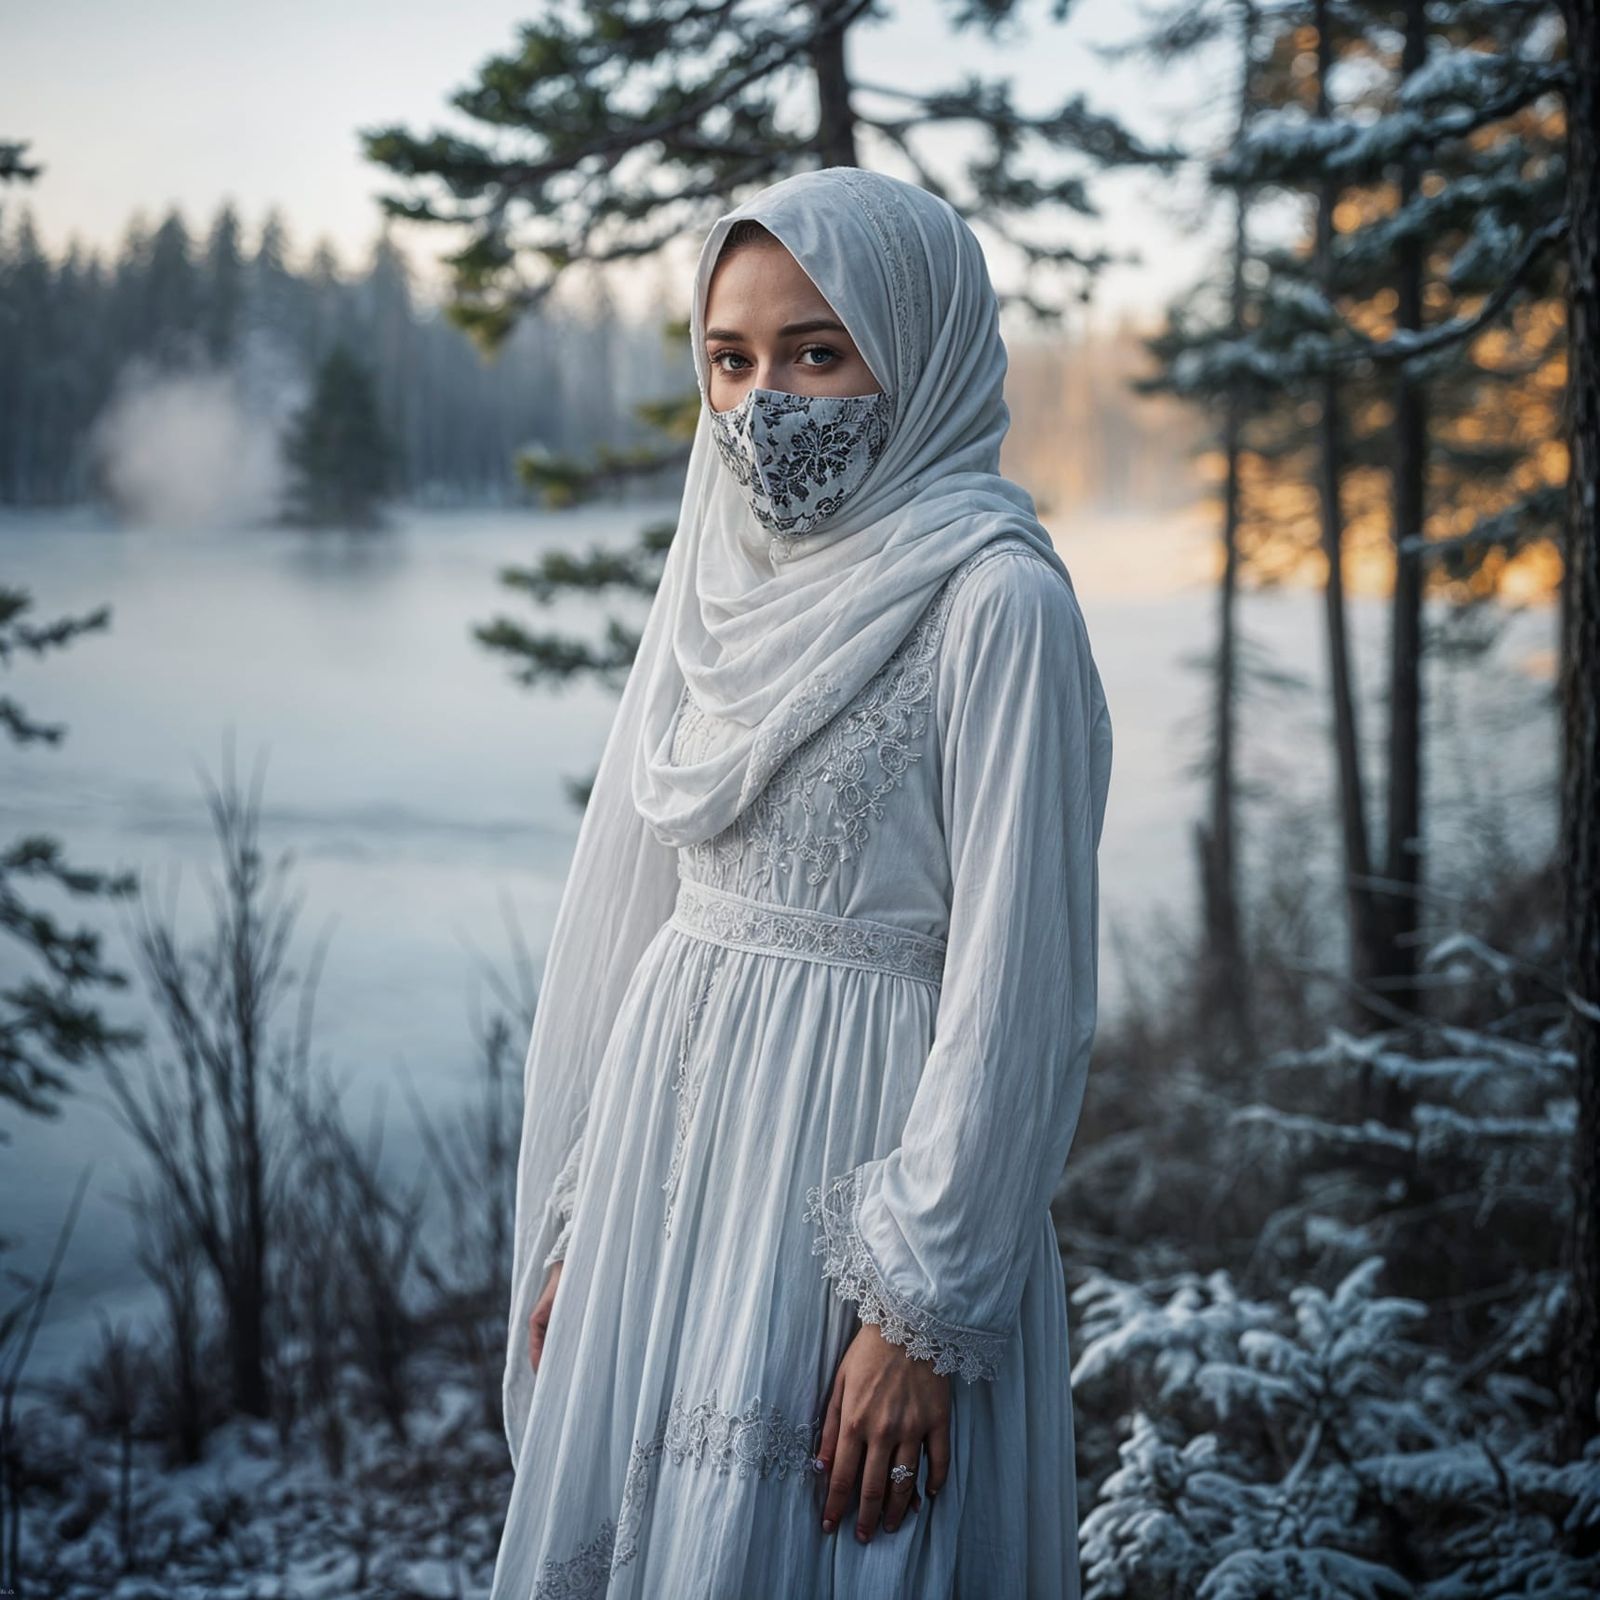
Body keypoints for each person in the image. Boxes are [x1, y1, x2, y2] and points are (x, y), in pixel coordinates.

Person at [490, 164, 1113, 1600]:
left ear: (918, 349)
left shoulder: (997, 601)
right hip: (667, 1188)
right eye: (732, 359)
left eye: (817, 352)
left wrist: (922, 1312)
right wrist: (588, 1216)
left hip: (856, 1206)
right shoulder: (726, 587)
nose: (766, 401)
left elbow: (1023, 991)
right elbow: (650, 913)